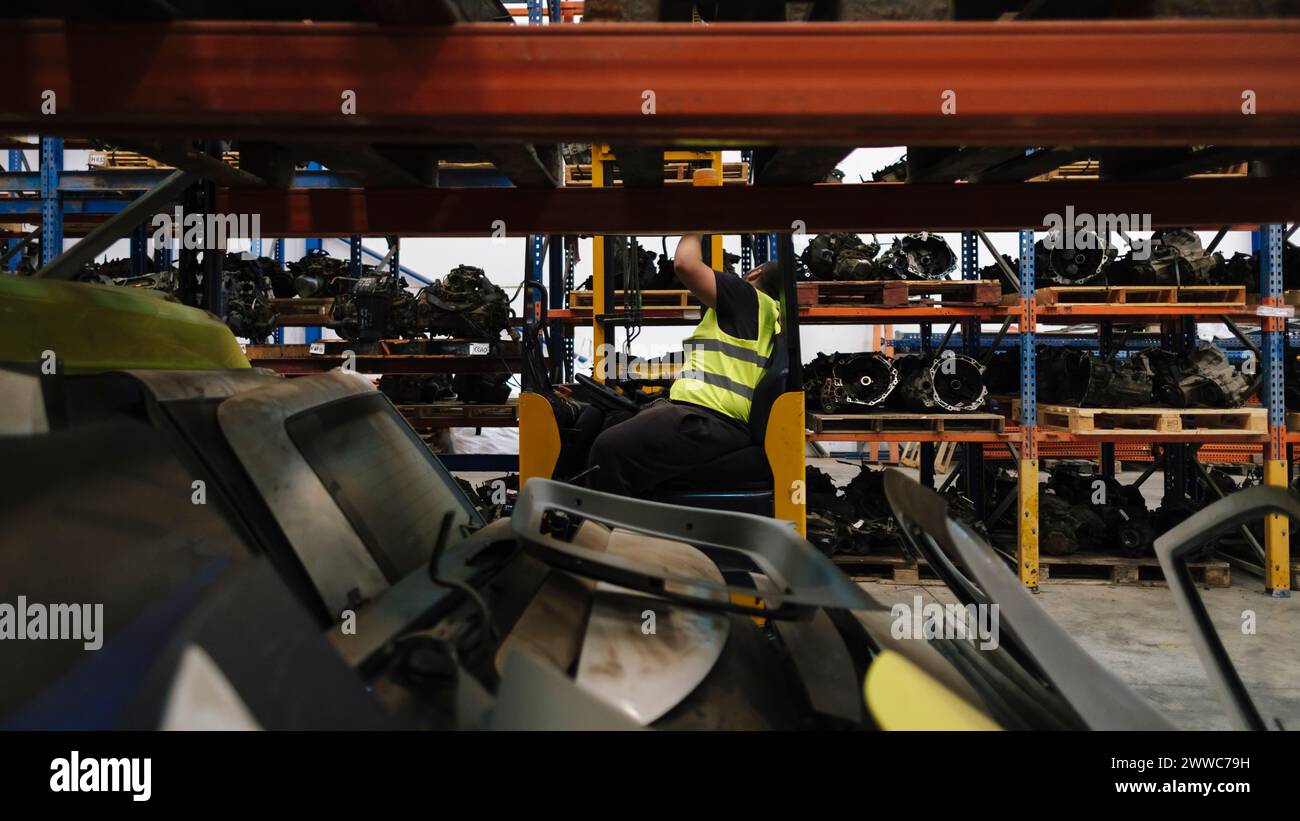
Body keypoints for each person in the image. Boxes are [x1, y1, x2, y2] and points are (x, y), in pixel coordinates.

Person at [586, 233, 783, 496]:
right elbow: (710, 367)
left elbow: (685, 265)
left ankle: (598, 530)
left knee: (608, 448)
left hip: (708, 419)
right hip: (717, 420)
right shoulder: (766, 314)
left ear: (755, 272)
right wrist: (638, 373)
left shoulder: (745, 295)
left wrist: (694, 224)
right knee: (613, 420)